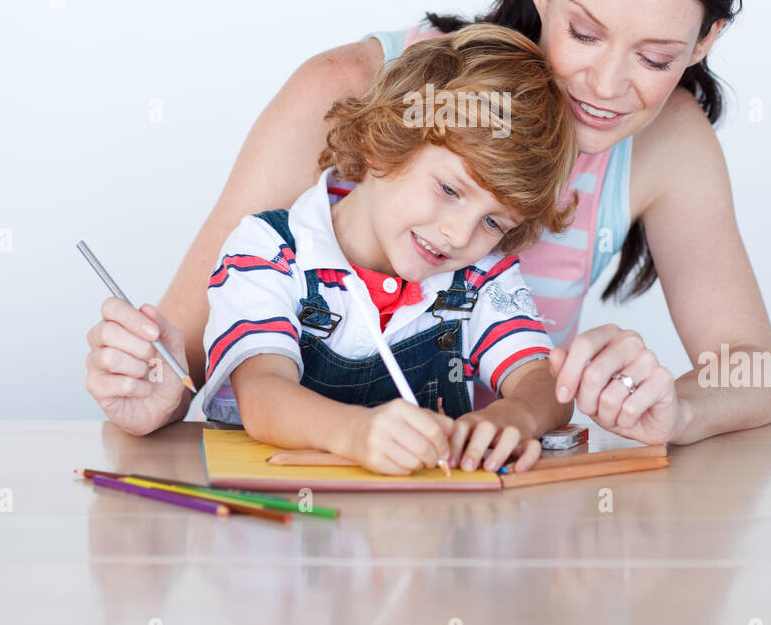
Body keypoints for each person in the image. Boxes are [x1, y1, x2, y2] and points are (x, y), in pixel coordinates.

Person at [85, 0, 771, 446]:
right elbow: (189, 357)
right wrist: (149, 389)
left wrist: (673, 410)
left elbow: (752, 371)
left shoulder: (667, 140)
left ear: (702, 42)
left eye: (655, 57)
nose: (604, 87)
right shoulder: (355, 91)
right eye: (583, 32)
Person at [199, 24, 578, 474]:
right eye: (449, 190)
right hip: (290, 528)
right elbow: (262, 393)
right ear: (385, 143)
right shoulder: (270, 251)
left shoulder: (480, 279)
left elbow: (545, 381)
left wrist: (512, 417)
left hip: (426, 532)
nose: (459, 235)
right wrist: (355, 434)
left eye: (493, 221)